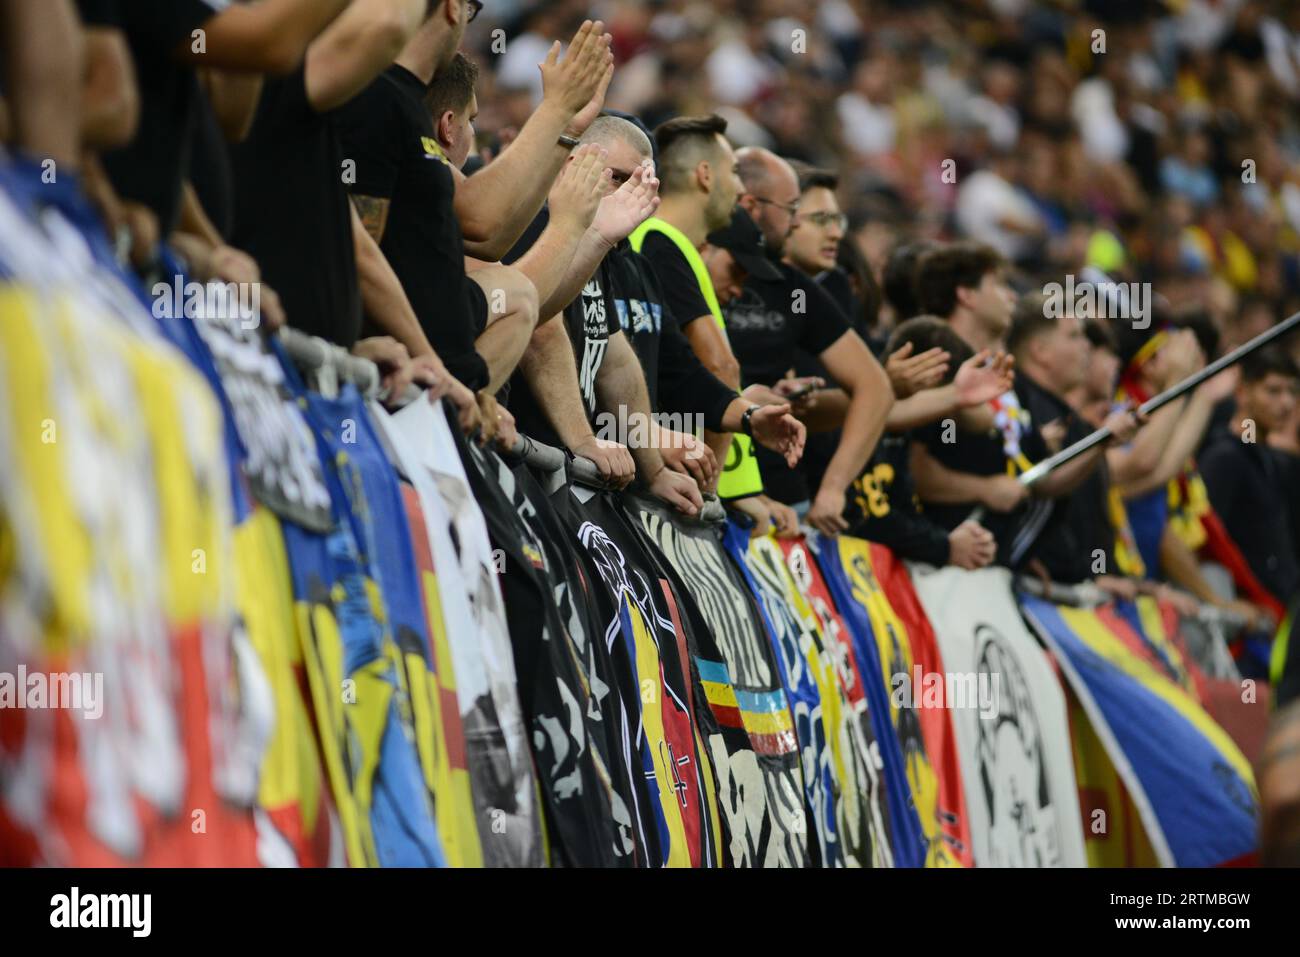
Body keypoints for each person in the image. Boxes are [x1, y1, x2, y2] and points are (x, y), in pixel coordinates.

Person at [721, 156, 894, 537]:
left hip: (782, 501)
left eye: (838, 221)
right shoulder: (694, 258)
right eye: (816, 217)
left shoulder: (797, 287)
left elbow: (876, 387)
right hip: (704, 487)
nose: (834, 233)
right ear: (752, 202)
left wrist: (834, 488)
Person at [1199, 348, 1300, 607]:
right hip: (1244, 621)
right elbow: (1204, 540)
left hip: (1278, 613)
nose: (1286, 402)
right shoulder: (1225, 458)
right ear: (1243, 392)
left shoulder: (1270, 460)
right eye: (1273, 391)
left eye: (1292, 391)